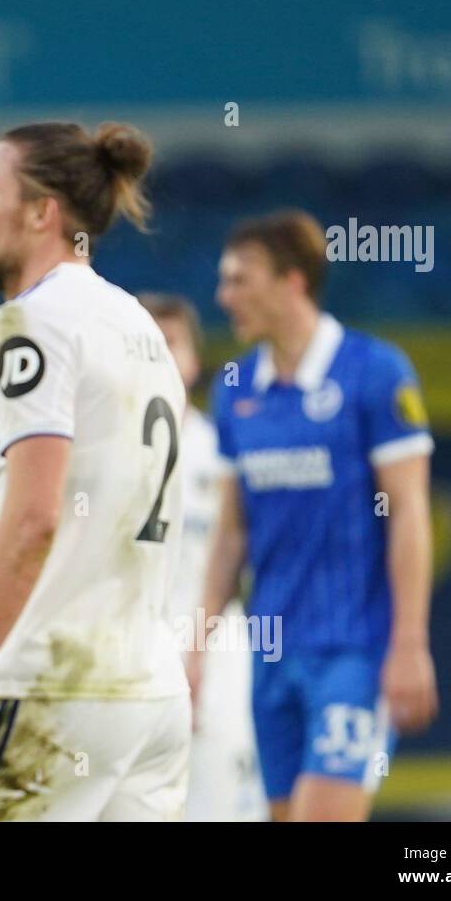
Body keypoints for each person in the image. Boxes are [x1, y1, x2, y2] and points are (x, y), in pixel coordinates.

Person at [0, 121, 190, 821]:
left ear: (43, 212)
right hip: (152, 694)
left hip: (58, 682)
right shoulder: (141, 326)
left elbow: (33, 518)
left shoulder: (32, 322)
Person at [196, 209, 439, 822]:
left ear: (293, 281)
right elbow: (231, 534)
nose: (224, 296)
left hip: (353, 651)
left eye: (239, 279)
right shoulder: (236, 389)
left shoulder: (375, 372)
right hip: (271, 652)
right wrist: (197, 644)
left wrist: (410, 644)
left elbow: (409, 513)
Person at [138, 292, 267, 822]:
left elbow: (240, 557)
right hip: (130, 645)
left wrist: (198, 652)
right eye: (147, 344)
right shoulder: (94, 453)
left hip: (214, 644)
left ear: (194, 360)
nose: (161, 357)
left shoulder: (224, 451)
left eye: (171, 343)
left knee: (217, 796)